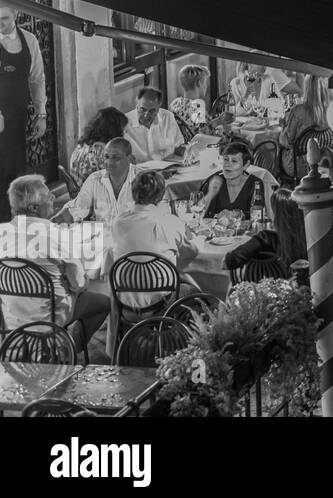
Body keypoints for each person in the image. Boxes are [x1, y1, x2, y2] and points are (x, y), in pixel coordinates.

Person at [0, 175, 111, 350]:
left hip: (10, 316)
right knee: (103, 303)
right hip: (50, 315)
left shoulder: (2, 231)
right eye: (48, 195)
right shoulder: (56, 234)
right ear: (34, 207)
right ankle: (71, 350)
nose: (53, 198)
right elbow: (79, 284)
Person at [111, 171, 199, 309]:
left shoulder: (118, 222)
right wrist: (199, 238)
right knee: (196, 289)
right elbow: (191, 252)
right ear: (161, 195)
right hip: (160, 304)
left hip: (125, 303)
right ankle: (180, 329)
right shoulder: (168, 222)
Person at [0, 6, 47, 222]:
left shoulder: (29, 40)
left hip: (18, 119)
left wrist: (41, 113)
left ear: (16, 15)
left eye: (4, 18)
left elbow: (37, 79)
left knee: (16, 171)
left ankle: (17, 223)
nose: (0, 24)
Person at [223, 186, 307, 275]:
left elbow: (228, 262)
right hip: (299, 286)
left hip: (267, 286)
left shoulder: (267, 237)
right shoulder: (306, 237)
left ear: (276, 213)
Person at [61, 137, 140, 225]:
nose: (109, 162)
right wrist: (49, 225)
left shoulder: (142, 180)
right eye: (106, 157)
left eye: (115, 157)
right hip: (103, 237)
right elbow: (76, 209)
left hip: (134, 237)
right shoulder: (95, 179)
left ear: (130, 159)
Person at [196, 141, 267, 219]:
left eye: (234, 161)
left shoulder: (255, 183)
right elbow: (197, 215)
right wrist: (210, 194)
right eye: (226, 159)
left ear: (246, 165)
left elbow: (259, 215)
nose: (227, 164)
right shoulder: (215, 180)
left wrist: (237, 214)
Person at [277, 75, 330, 178]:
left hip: (299, 166)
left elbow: (287, 141)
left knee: (274, 150)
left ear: (307, 88)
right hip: (325, 164)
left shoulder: (298, 110)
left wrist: (283, 127)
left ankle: (275, 186)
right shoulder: (331, 109)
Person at [67, 107, 129, 187]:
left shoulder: (82, 145)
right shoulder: (102, 151)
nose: (124, 132)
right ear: (114, 130)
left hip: (81, 191)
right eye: (122, 130)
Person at [123, 87, 183, 162]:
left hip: (166, 167)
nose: (146, 115)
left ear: (159, 107)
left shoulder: (167, 117)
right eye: (142, 109)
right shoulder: (124, 123)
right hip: (139, 170)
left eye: (152, 111)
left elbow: (179, 145)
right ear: (137, 104)